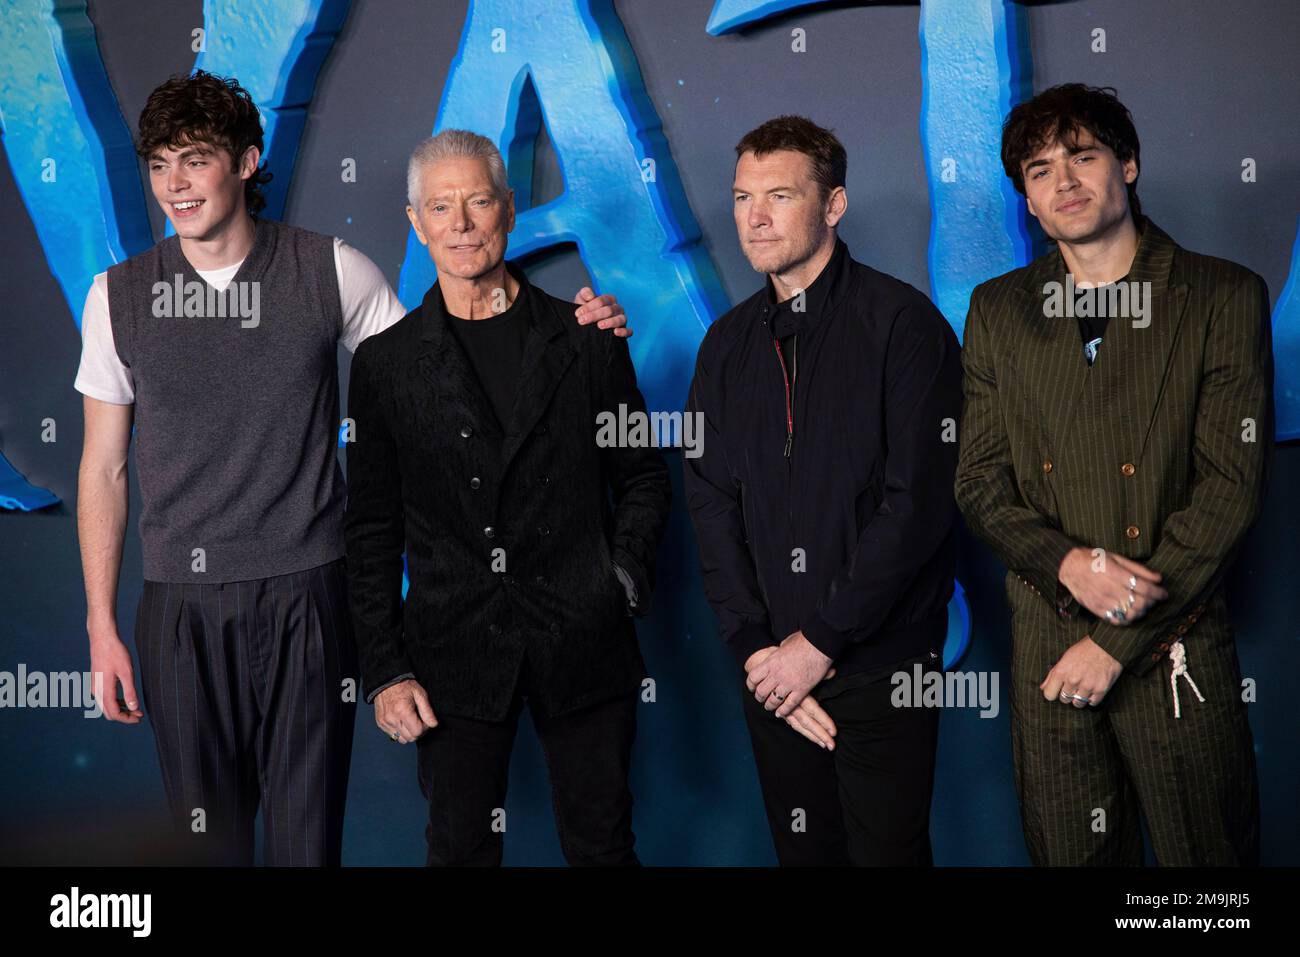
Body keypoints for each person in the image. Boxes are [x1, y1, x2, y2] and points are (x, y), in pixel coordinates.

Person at [74, 71, 631, 865]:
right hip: (179, 609)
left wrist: (576, 327)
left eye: (195, 160)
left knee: (309, 848)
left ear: (246, 161)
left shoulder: (329, 269)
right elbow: (102, 469)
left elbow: (450, 363)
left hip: (310, 594)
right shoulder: (116, 296)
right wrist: (100, 623)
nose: (175, 184)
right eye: (160, 164)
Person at [954, 83, 1270, 865]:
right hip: (1048, 653)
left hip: (1175, 650)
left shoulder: (1221, 295)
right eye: (1038, 170)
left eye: (1083, 156)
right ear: (1026, 201)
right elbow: (982, 481)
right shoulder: (997, 310)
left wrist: (1115, 639)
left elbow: (1229, 487)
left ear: (1128, 165)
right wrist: (1069, 562)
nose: (1063, 181)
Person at [344, 129, 671, 866]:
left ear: (510, 209)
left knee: (602, 847)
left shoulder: (587, 337)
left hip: (584, 640)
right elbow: (369, 530)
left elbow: (644, 476)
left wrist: (616, 578)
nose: (460, 223)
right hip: (450, 653)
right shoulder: (385, 365)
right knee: (459, 851)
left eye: (479, 201)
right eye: (440, 207)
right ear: (416, 221)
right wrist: (387, 669)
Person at [683, 116, 962, 865]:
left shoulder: (903, 325)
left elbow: (919, 504)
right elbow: (710, 503)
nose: (756, 217)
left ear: (833, 205)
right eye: (743, 197)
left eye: (780, 194)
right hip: (771, 670)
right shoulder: (726, 345)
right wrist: (760, 652)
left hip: (883, 667)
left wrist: (822, 644)